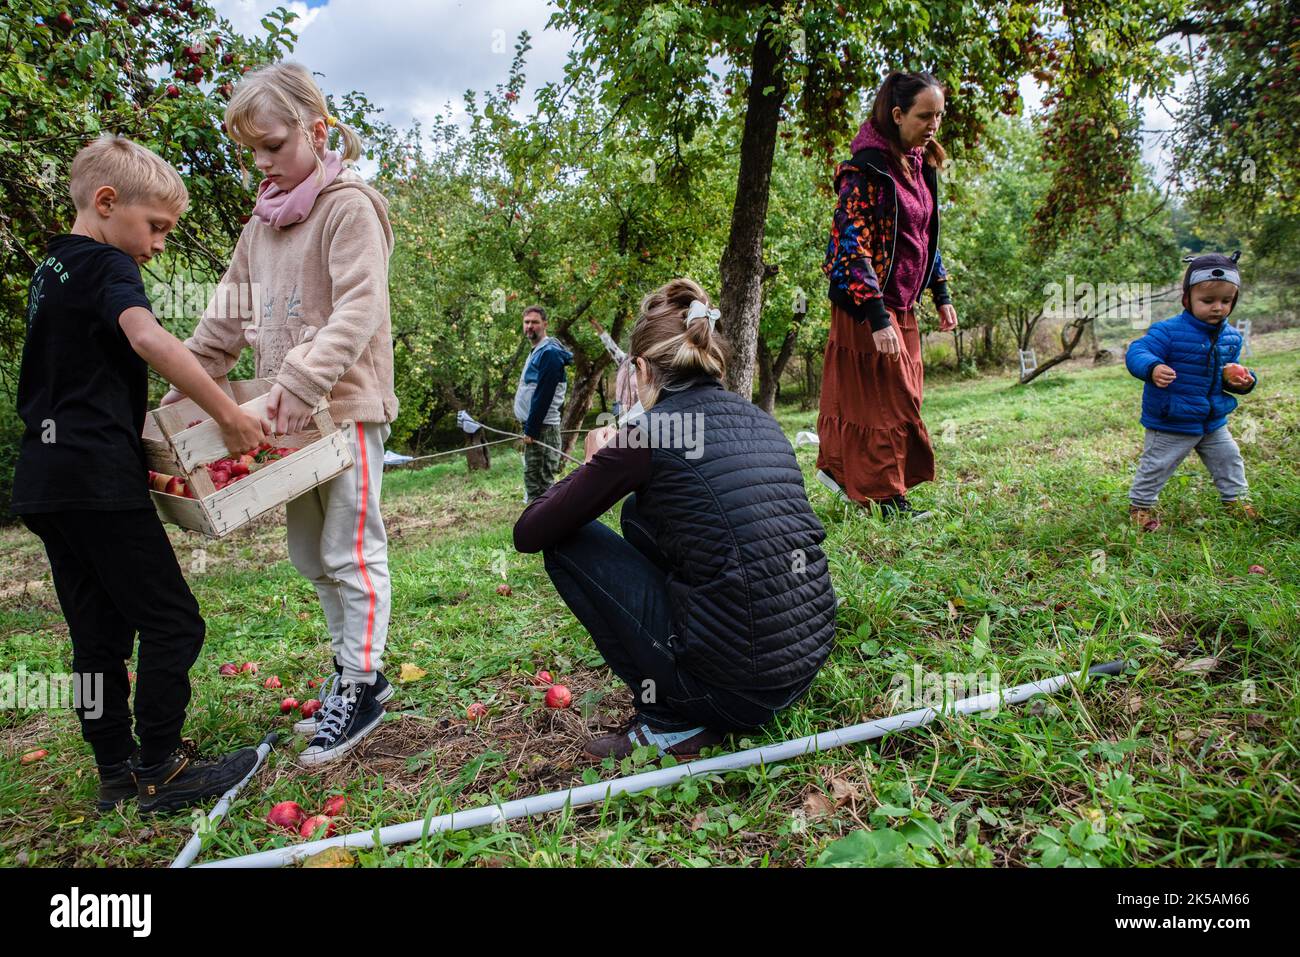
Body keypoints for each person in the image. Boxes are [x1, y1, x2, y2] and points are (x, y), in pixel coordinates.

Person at [12, 135, 268, 813]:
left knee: (96, 630)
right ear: (105, 203)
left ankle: (116, 772)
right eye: (155, 227)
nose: (157, 245)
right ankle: (163, 764)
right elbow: (149, 339)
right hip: (96, 475)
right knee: (173, 621)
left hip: (46, 479)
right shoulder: (107, 264)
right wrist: (229, 414)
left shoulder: (53, 270)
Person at [164, 62, 399, 766]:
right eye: (252, 151)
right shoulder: (261, 226)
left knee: (349, 545)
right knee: (308, 553)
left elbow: (361, 306)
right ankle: (351, 670)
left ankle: (362, 683)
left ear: (315, 129)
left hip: (344, 405)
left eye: (272, 145)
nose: (261, 163)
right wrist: (185, 391)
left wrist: (300, 379)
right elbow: (224, 321)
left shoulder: (349, 207)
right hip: (287, 419)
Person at [513, 279, 837, 759]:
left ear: (641, 368)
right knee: (640, 514)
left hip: (734, 694)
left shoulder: (648, 432)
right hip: (803, 666)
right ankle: (696, 676)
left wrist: (590, 465)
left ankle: (668, 718)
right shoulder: (759, 419)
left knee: (566, 542)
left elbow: (530, 531)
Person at [817, 71, 959, 519]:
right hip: (867, 306)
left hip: (903, 302)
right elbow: (850, 245)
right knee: (881, 403)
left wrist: (941, 292)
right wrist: (877, 317)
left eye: (939, 115)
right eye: (924, 115)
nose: (933, 124)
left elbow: (924, 237)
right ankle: (886, 501)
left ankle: (849, 476)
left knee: (906, 400)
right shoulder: (863, 172)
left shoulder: (920, 166)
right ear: (897, 115)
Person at [1125, 252, 1259, 531]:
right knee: (1157, 465)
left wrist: (1243, 381)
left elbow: (1222, 375)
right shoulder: (1168, 331)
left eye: (1226, 301)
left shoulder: (1231, 337)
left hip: (1211, 420)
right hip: (1172, 419)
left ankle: (1235, 500)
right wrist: (1152, 368)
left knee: (1229, 458)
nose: (1217, 308)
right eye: (1207, 301)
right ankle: (1140, 506)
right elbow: (1138, 350)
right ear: (1187, 299)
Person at [513, 305, 573, 502]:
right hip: (537, 428)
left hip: (543, 430)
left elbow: (544, 395)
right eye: (526, 322)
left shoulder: (549, 352)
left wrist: (531, 429)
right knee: (534, 482)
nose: (530, 326)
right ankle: (538, 527)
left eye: (535, 322)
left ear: (545, 324)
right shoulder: (537, 351)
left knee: (540, 486)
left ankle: (543, 529)